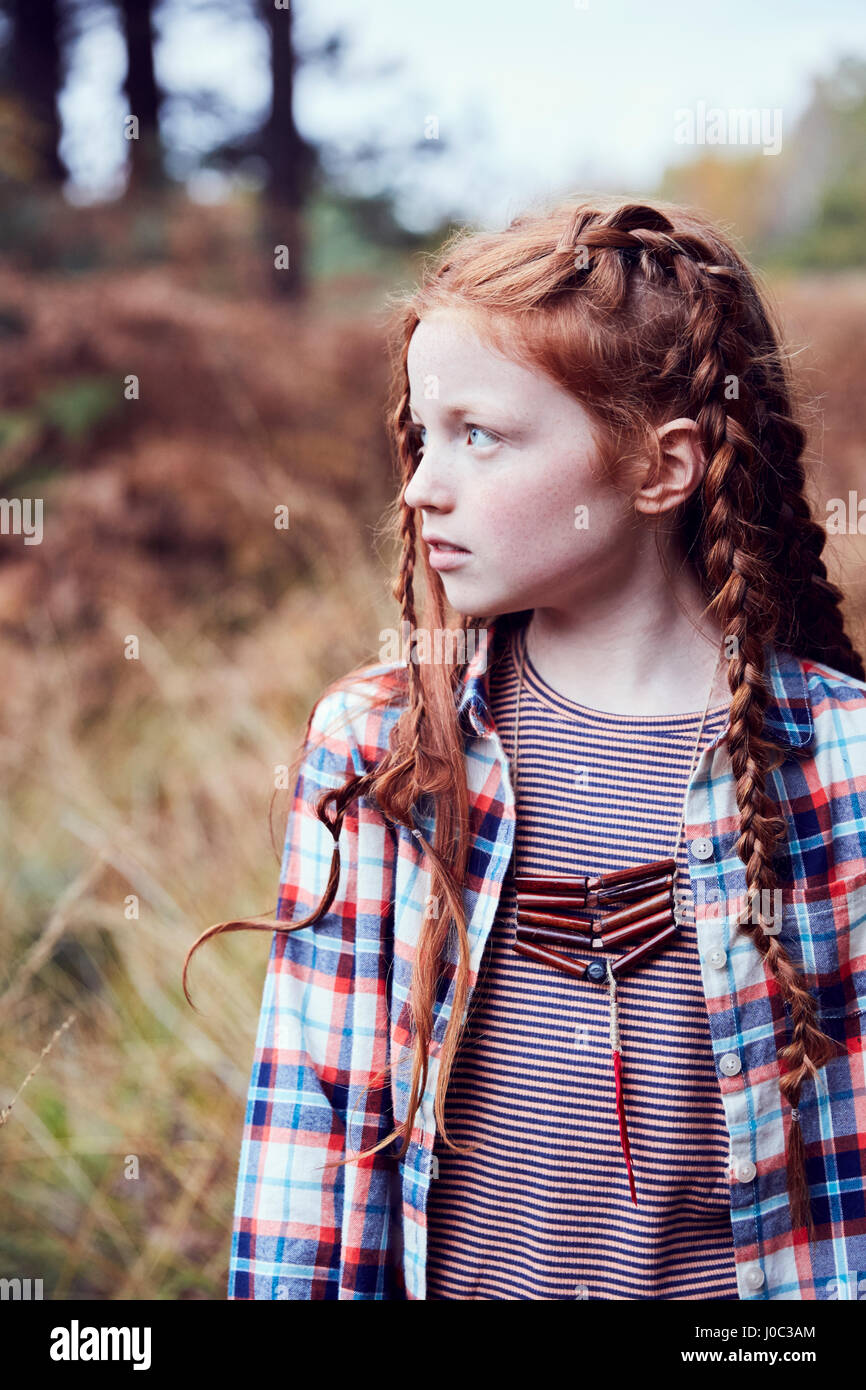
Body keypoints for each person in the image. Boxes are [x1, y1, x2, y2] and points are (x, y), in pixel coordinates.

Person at [184, 196, 866, 1301]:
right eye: (421, 432)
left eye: (479, 437)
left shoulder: (839, 767)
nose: (419, 486)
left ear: (659, 469)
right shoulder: (380, 745)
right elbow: (309, 1161)